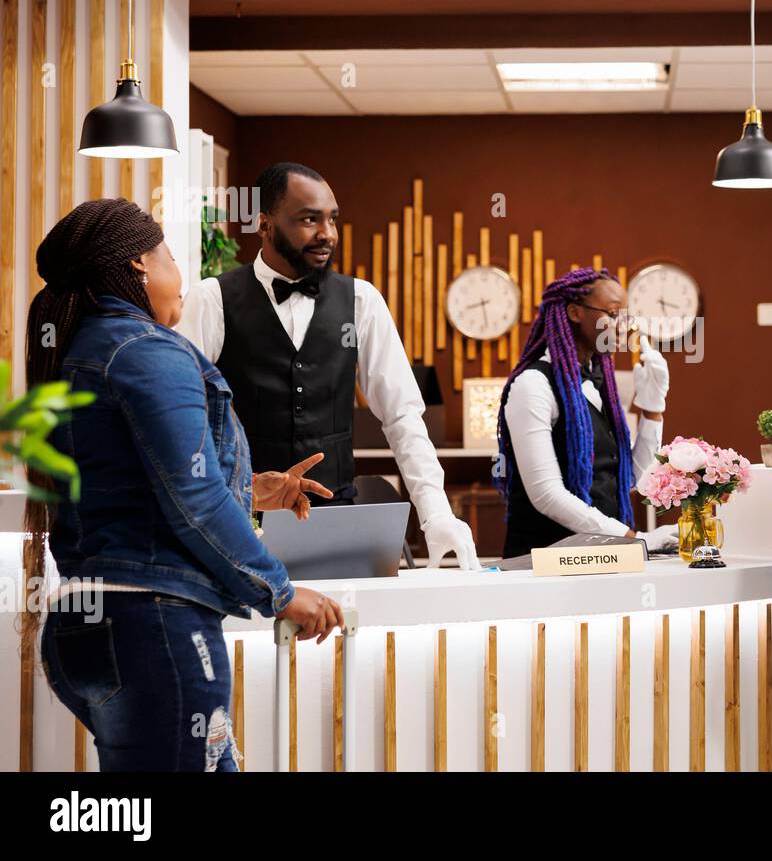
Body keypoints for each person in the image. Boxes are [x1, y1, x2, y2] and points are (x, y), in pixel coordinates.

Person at [29, 198, 343, 772]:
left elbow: (142, 481)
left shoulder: (82, 352)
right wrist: (277, 589)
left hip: (87, 628)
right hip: (153, 628)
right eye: (172, 255)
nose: (185, 276)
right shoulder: (146, 349)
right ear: (141, 265)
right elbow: (191, 498)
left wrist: (249, 490)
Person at [176, 162, 480, 570]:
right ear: (264, 224)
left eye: (332, 219)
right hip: (240, 525)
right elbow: (182, 419)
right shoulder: (211, 299)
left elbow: (403, 415)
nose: (327, 234)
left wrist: (436, 514)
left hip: (339, 524)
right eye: (309, 220)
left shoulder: (361, 300)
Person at [495, 268, 679, 557]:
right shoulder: (533, 385)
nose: (623, 325)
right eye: (613, 313)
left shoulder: (602, 384)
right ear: (574, 313)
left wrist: (653, 409)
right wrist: (632, 537)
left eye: (625, 316)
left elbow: (628, 478)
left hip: (601, 558)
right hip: (543, 561)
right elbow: (546, 495)